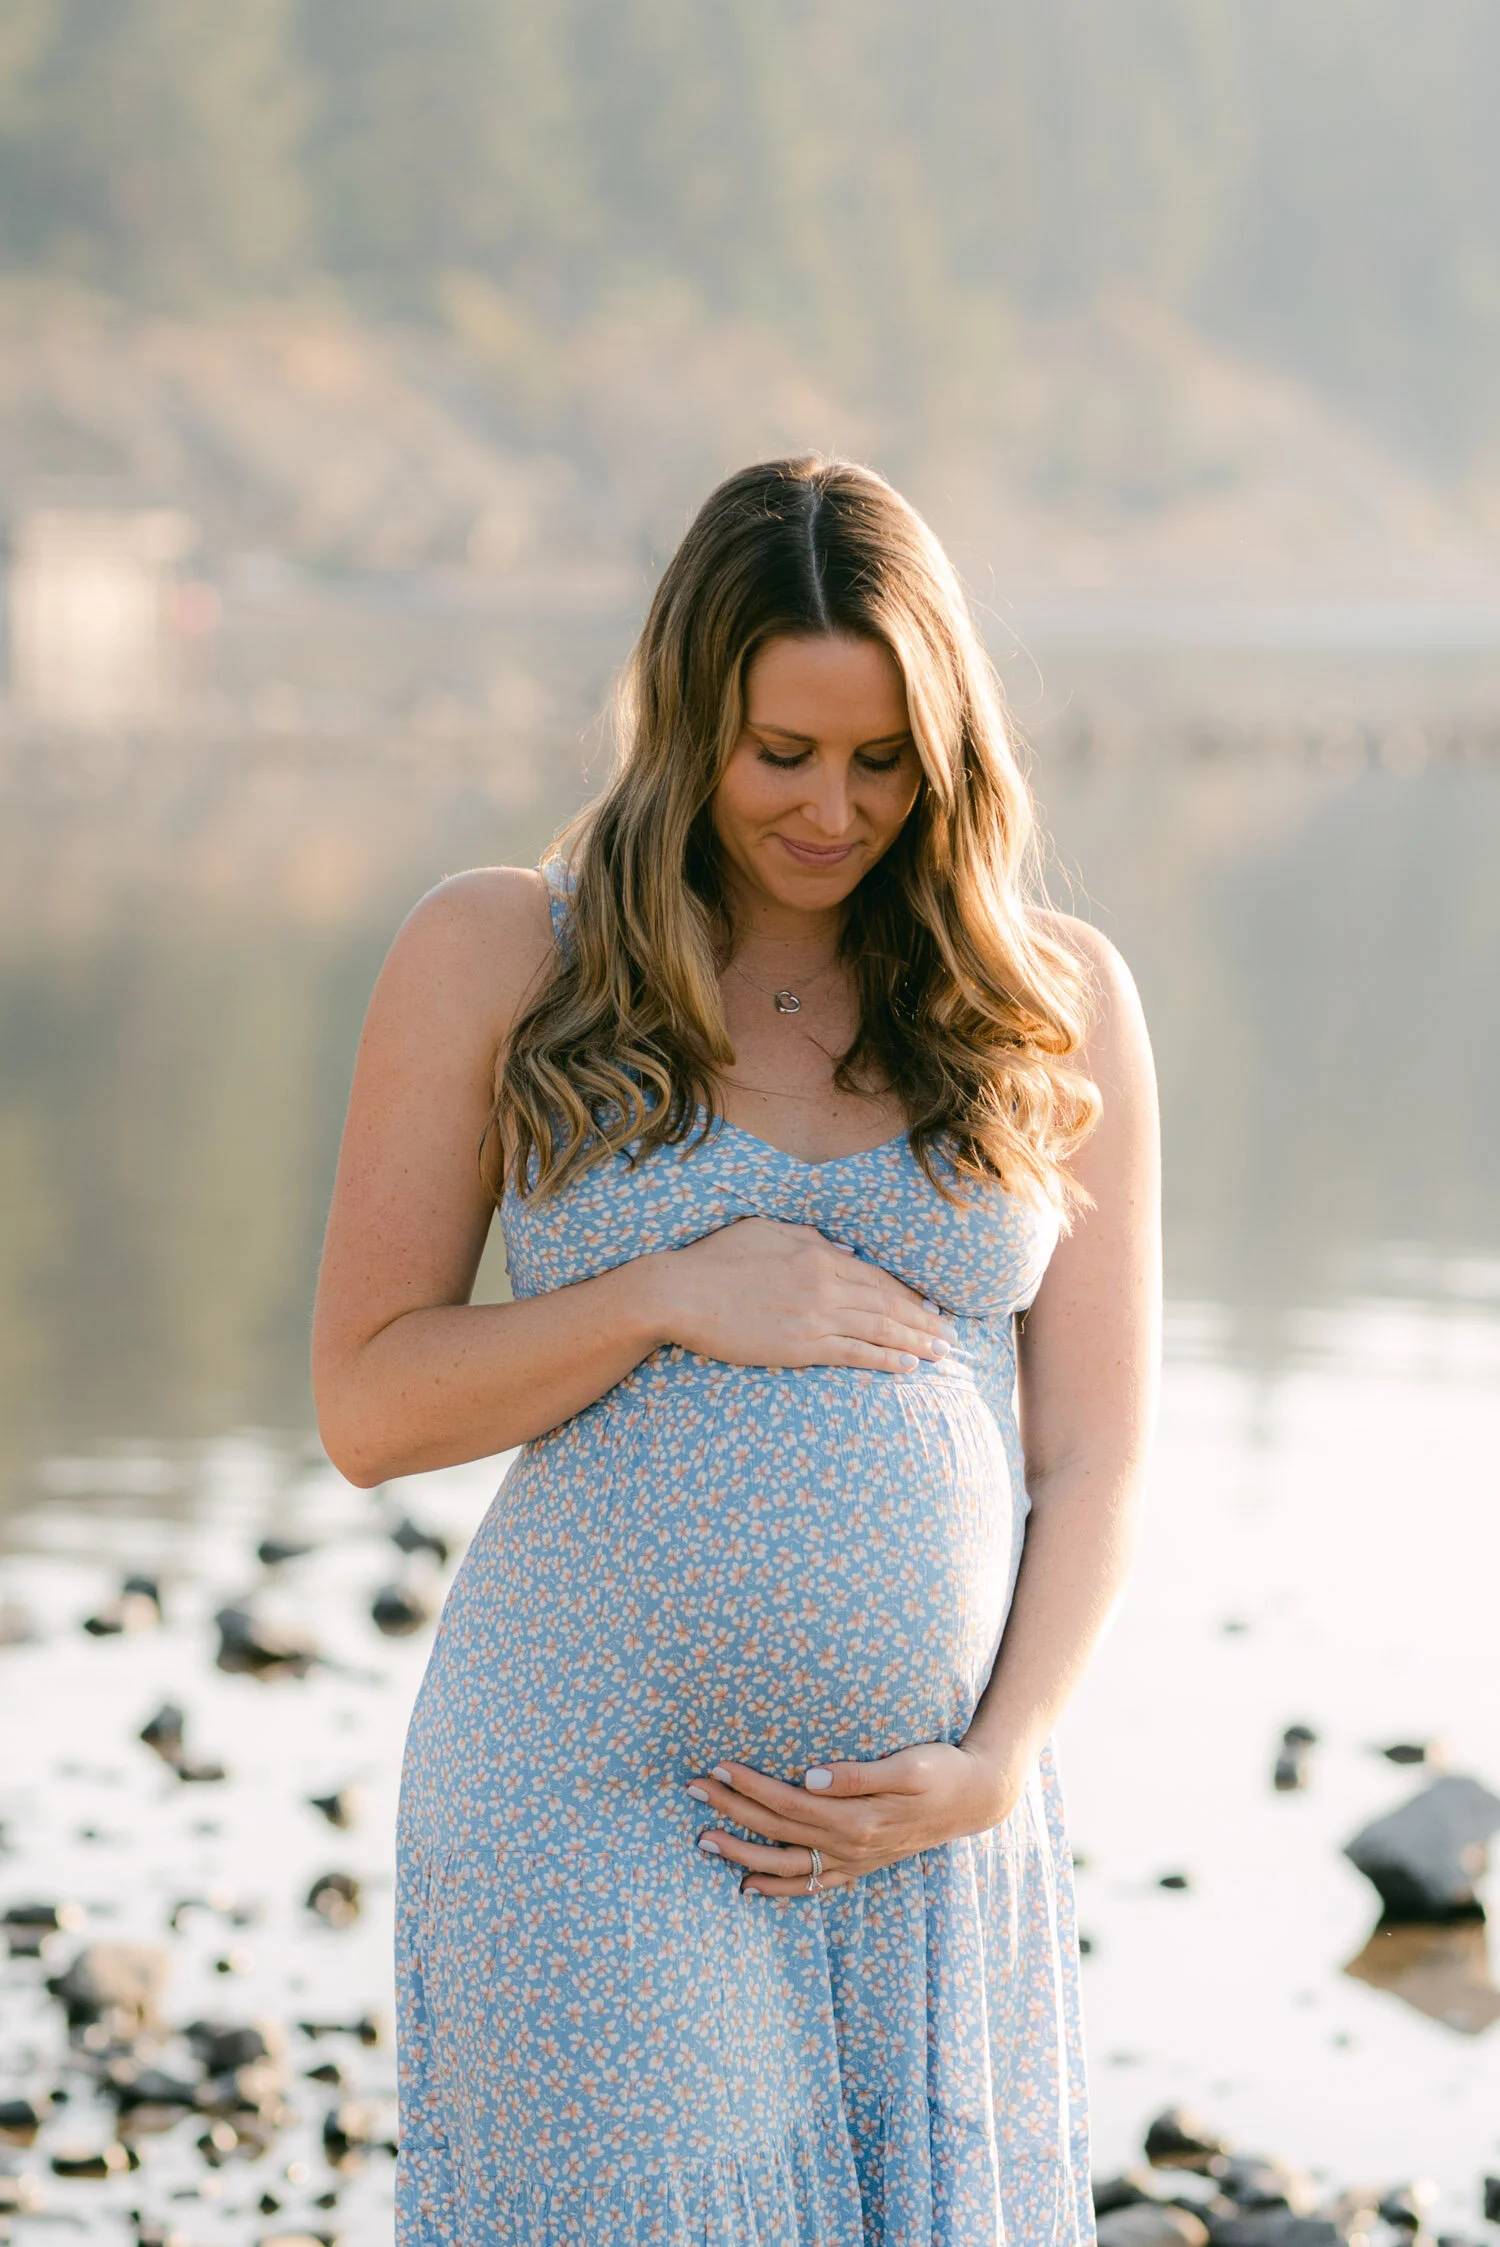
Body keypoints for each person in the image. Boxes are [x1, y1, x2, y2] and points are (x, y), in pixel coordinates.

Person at [312, 455, 1160, 2246]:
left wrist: (998, 1759)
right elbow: (369, 1403)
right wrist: (662, 1290)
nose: (833, 809)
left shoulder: (1049, 1001)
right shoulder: (504, 953)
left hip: (926, 1823)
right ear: (686, 717)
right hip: (589, 1792)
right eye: (783, 752)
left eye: (880, 759)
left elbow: (1094, 1454)